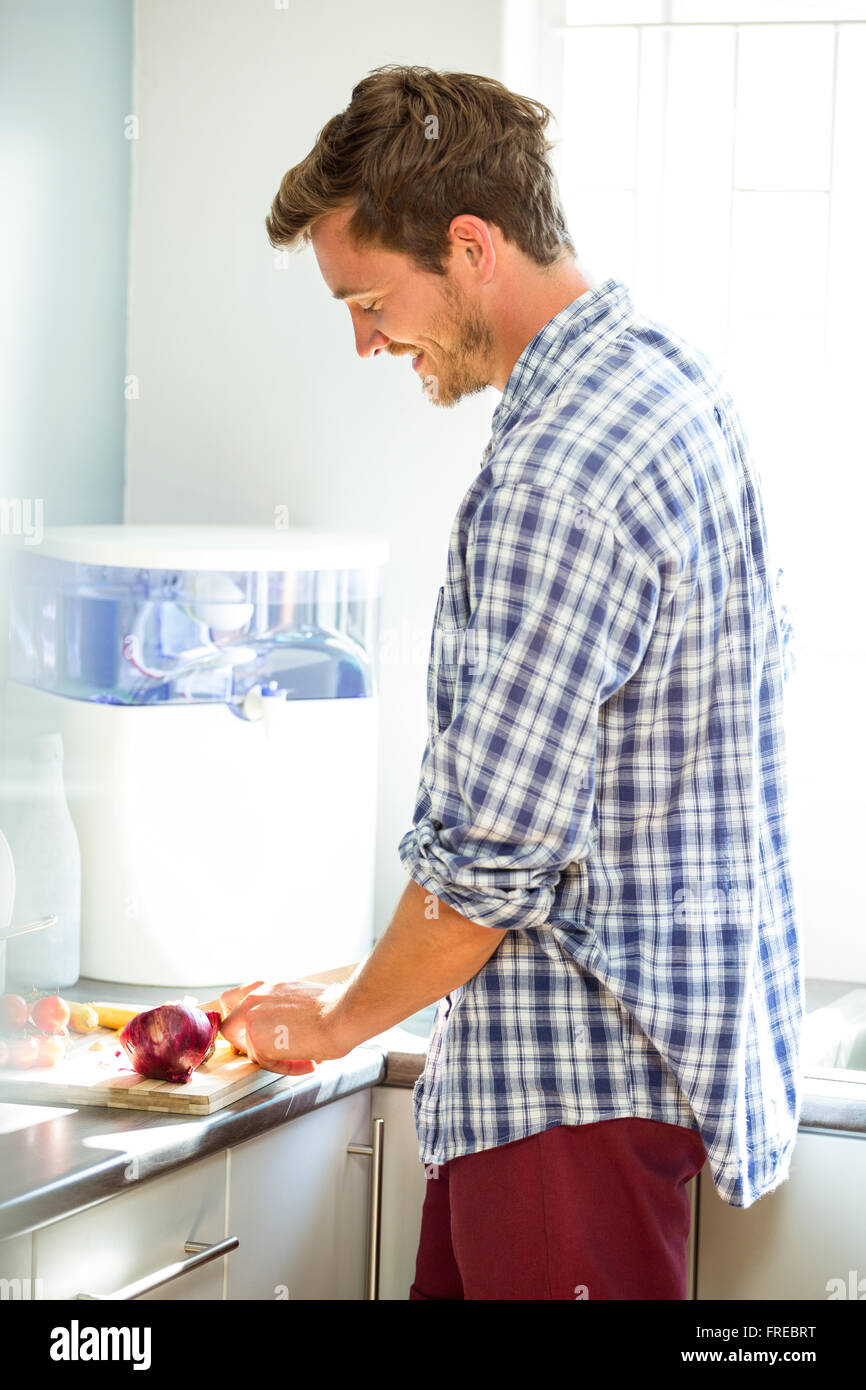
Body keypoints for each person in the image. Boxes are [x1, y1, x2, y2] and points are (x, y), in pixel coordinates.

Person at [220, 65, 804, 1301]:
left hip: (565, 1093)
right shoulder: (662, 378)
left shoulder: (557, 471)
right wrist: (356, 985)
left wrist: (335, 1022)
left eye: (369, 299)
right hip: (588, 1080)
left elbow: (490, 858)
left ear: (470, 247)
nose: (365, 340)